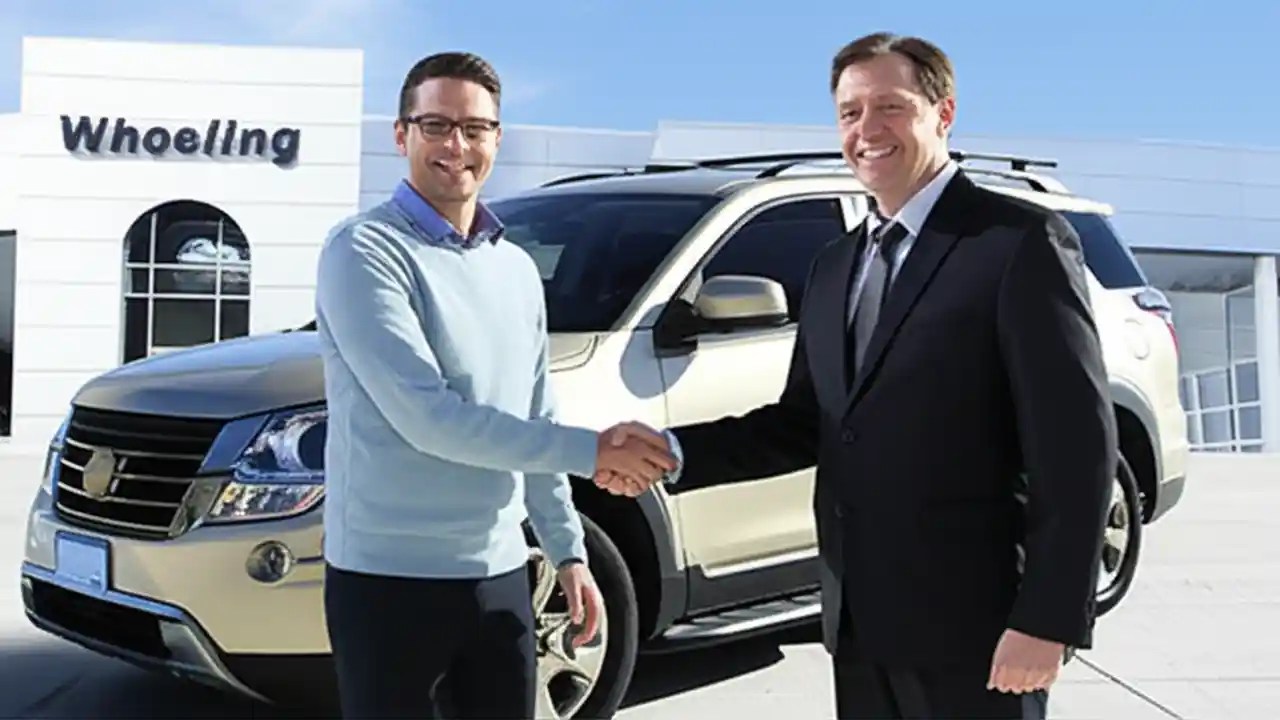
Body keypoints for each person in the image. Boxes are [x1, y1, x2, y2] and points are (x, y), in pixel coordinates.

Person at [599, 32, 1116, 719]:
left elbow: (1077, 450)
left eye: (890, 107)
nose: (867, 130)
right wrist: (672, 452)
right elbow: (810, 422)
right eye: (849, 112)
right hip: (859, 627)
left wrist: (1048, 619)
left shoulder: (1018, 243)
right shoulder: (834, 265)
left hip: (979, 629)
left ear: (944, 112)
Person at [314, 51, 677, 720]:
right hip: (390, 582)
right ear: (402, 136)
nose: (457, 145)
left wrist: (567, 550)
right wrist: (596, 452)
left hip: (501, 576)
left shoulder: (513, 267)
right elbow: (430, 419)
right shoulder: (363, 252)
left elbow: (533, 415)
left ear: (497, 139)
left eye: (476, 128)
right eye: (436, 125)